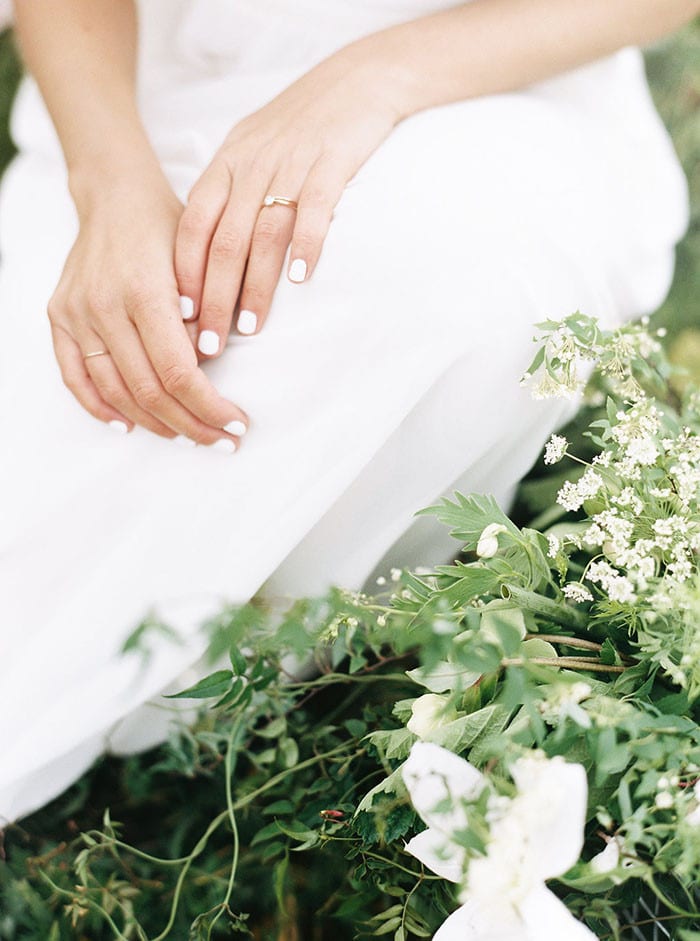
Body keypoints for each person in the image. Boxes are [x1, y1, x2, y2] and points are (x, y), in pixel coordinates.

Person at [0, 0, 694, 825]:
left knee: (447, 290)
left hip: (495, 78)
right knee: (118, 388)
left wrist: (368, 77)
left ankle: (273, 688)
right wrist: (109, 186)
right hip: (155, 95)